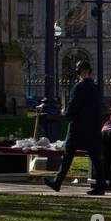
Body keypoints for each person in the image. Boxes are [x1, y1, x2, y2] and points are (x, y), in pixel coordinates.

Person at [44, 61, 105, 195]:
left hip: (78, 128)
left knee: (68, 155)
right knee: (95, 157)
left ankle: (57, 181)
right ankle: (101, 185)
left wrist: (66, 113)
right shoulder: (96, 88)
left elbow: (72, 108)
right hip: (93, 128)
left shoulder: (79, 87)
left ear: (80, 72)